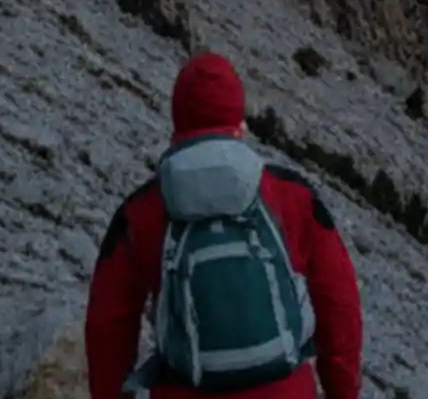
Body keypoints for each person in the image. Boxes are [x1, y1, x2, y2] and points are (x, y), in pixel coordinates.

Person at [85, 52, 363, 399]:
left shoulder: (141, 211)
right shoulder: (291, 196)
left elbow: (107, 327)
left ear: (177, 119)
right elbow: (340, 308)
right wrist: (343, 393)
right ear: (238, 117)